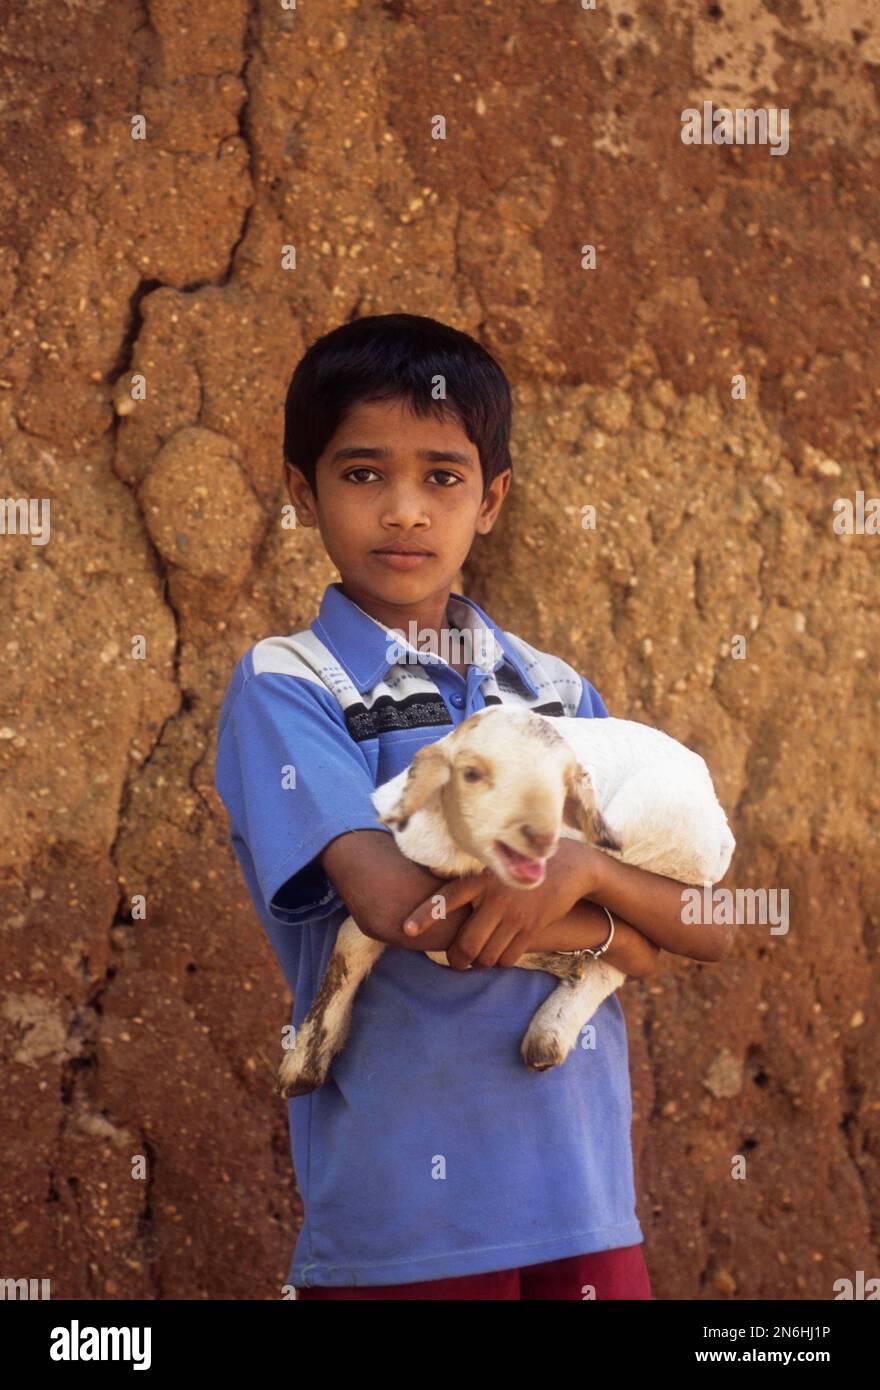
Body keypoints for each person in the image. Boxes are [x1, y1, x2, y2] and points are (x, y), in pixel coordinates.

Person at [214, 313, 734, 1300]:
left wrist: (583, 875)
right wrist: (612, 924)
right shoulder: (293, 684)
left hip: (583, 1197)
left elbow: (704, 928)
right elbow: (397, 907)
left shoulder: (552, 691)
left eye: (442, 478)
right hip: (406, 1216)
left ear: (490, 499)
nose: (405, 510)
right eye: (363, 474)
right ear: (301, 489)